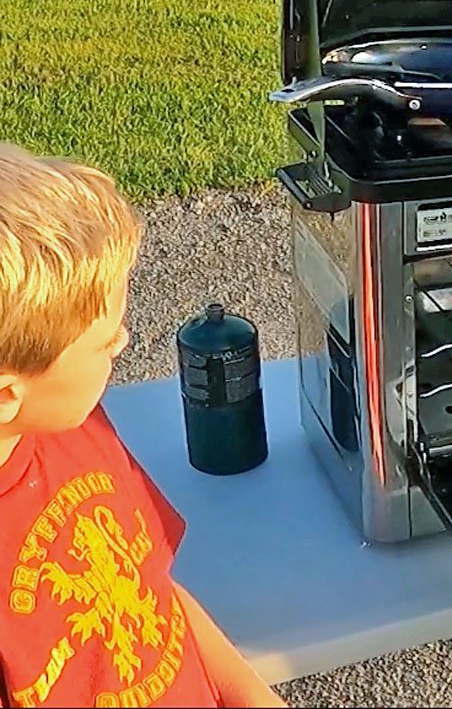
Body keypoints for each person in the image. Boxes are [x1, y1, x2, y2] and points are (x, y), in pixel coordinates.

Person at [0, 144, 286, 708]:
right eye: (105, 343)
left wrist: (252, 697)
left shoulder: (74, 430)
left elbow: (157, 596)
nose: (125, 341)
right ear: (8, 394)